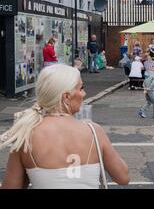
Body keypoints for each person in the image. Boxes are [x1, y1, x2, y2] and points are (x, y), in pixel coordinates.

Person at [0, 64, 129, 189]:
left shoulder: (26, 134)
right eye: (81, 88)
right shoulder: (94, 131)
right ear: (66, 97)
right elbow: (123, 177)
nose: (83, 94)